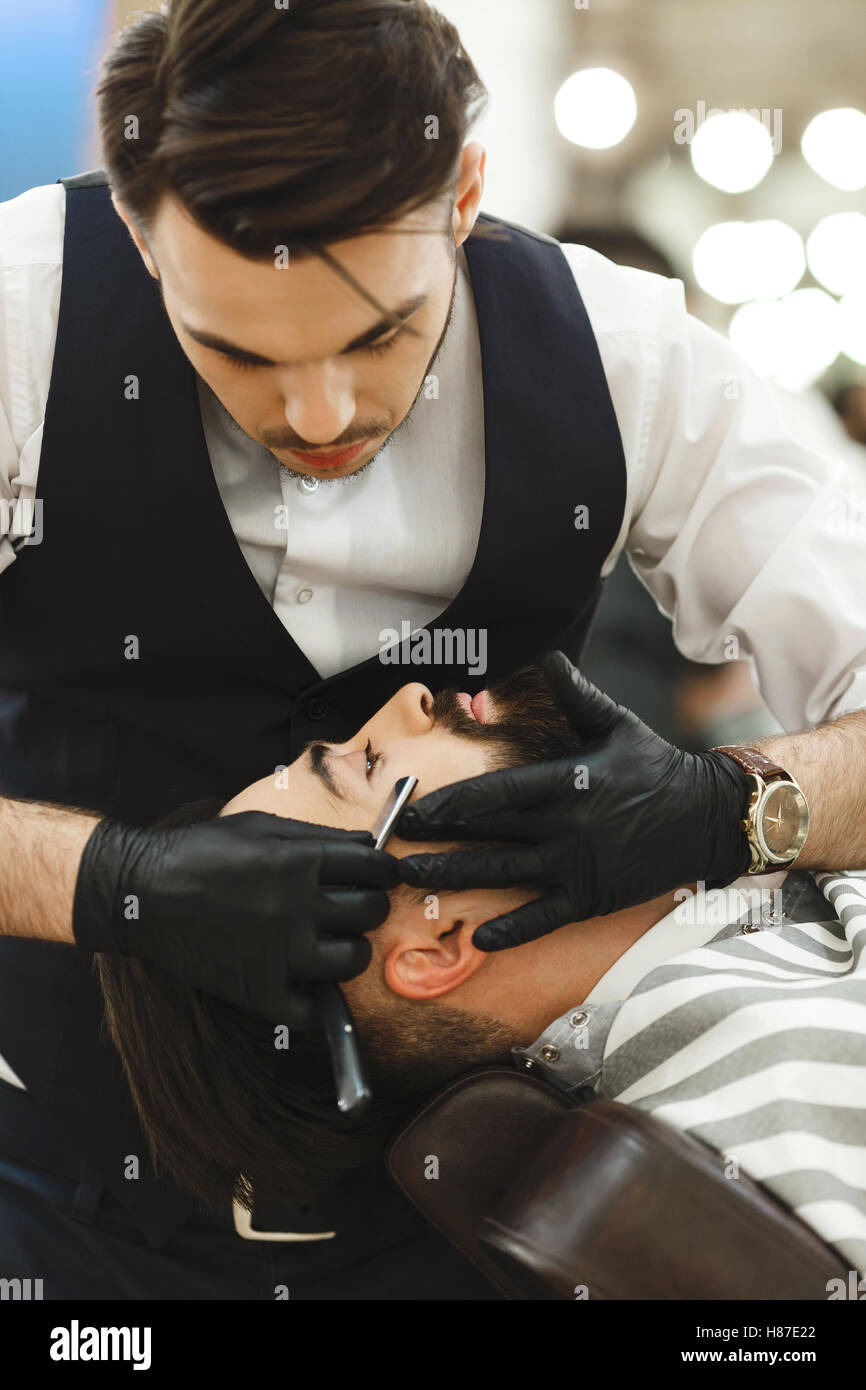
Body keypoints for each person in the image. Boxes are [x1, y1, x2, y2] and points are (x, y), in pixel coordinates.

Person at [1, 0, 865, 1299]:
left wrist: (731, 805)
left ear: (464, 193)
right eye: (232, 349)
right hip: (68, 1197)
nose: (317, 414)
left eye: (379, 334)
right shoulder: (24, 318)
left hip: (490, 1205)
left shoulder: (626, 361)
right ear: (138, 229)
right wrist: (106, 876)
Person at [91, 666, 866, 1293]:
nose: (409, 698)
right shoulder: (760, 1098)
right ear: (438, 940)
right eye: (369, 764)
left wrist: (737, 807)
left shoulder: (738, 873)